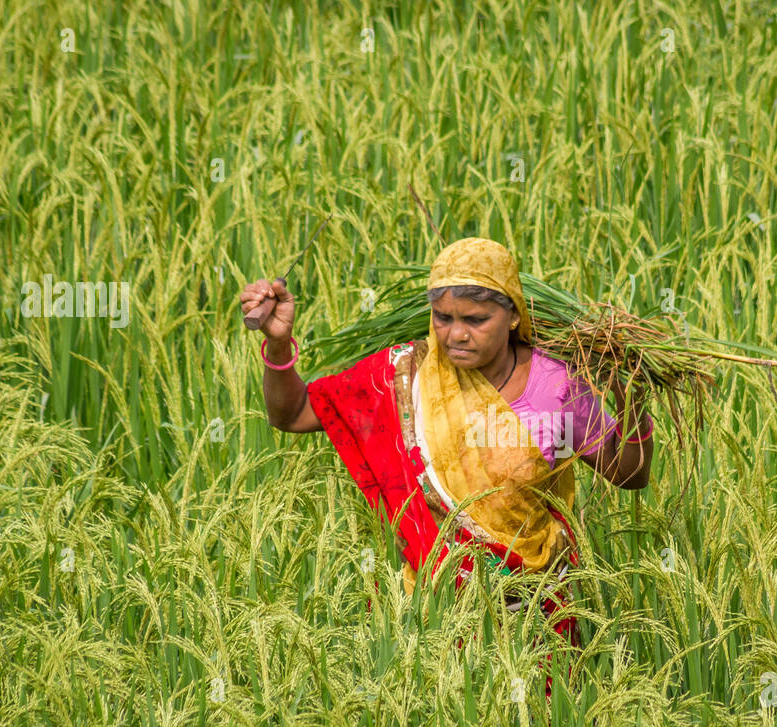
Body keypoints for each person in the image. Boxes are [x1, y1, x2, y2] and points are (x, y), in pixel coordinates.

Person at [241, 237, 654, 695]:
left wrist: (632, 394)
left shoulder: (554, 386)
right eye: (444, 318)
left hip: (538, 614)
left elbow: (630, 475)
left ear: (514, 315)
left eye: (476, 320)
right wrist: (278, 346)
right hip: (437, 618)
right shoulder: (405, 375)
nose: (456, 334)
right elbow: (292, 413)